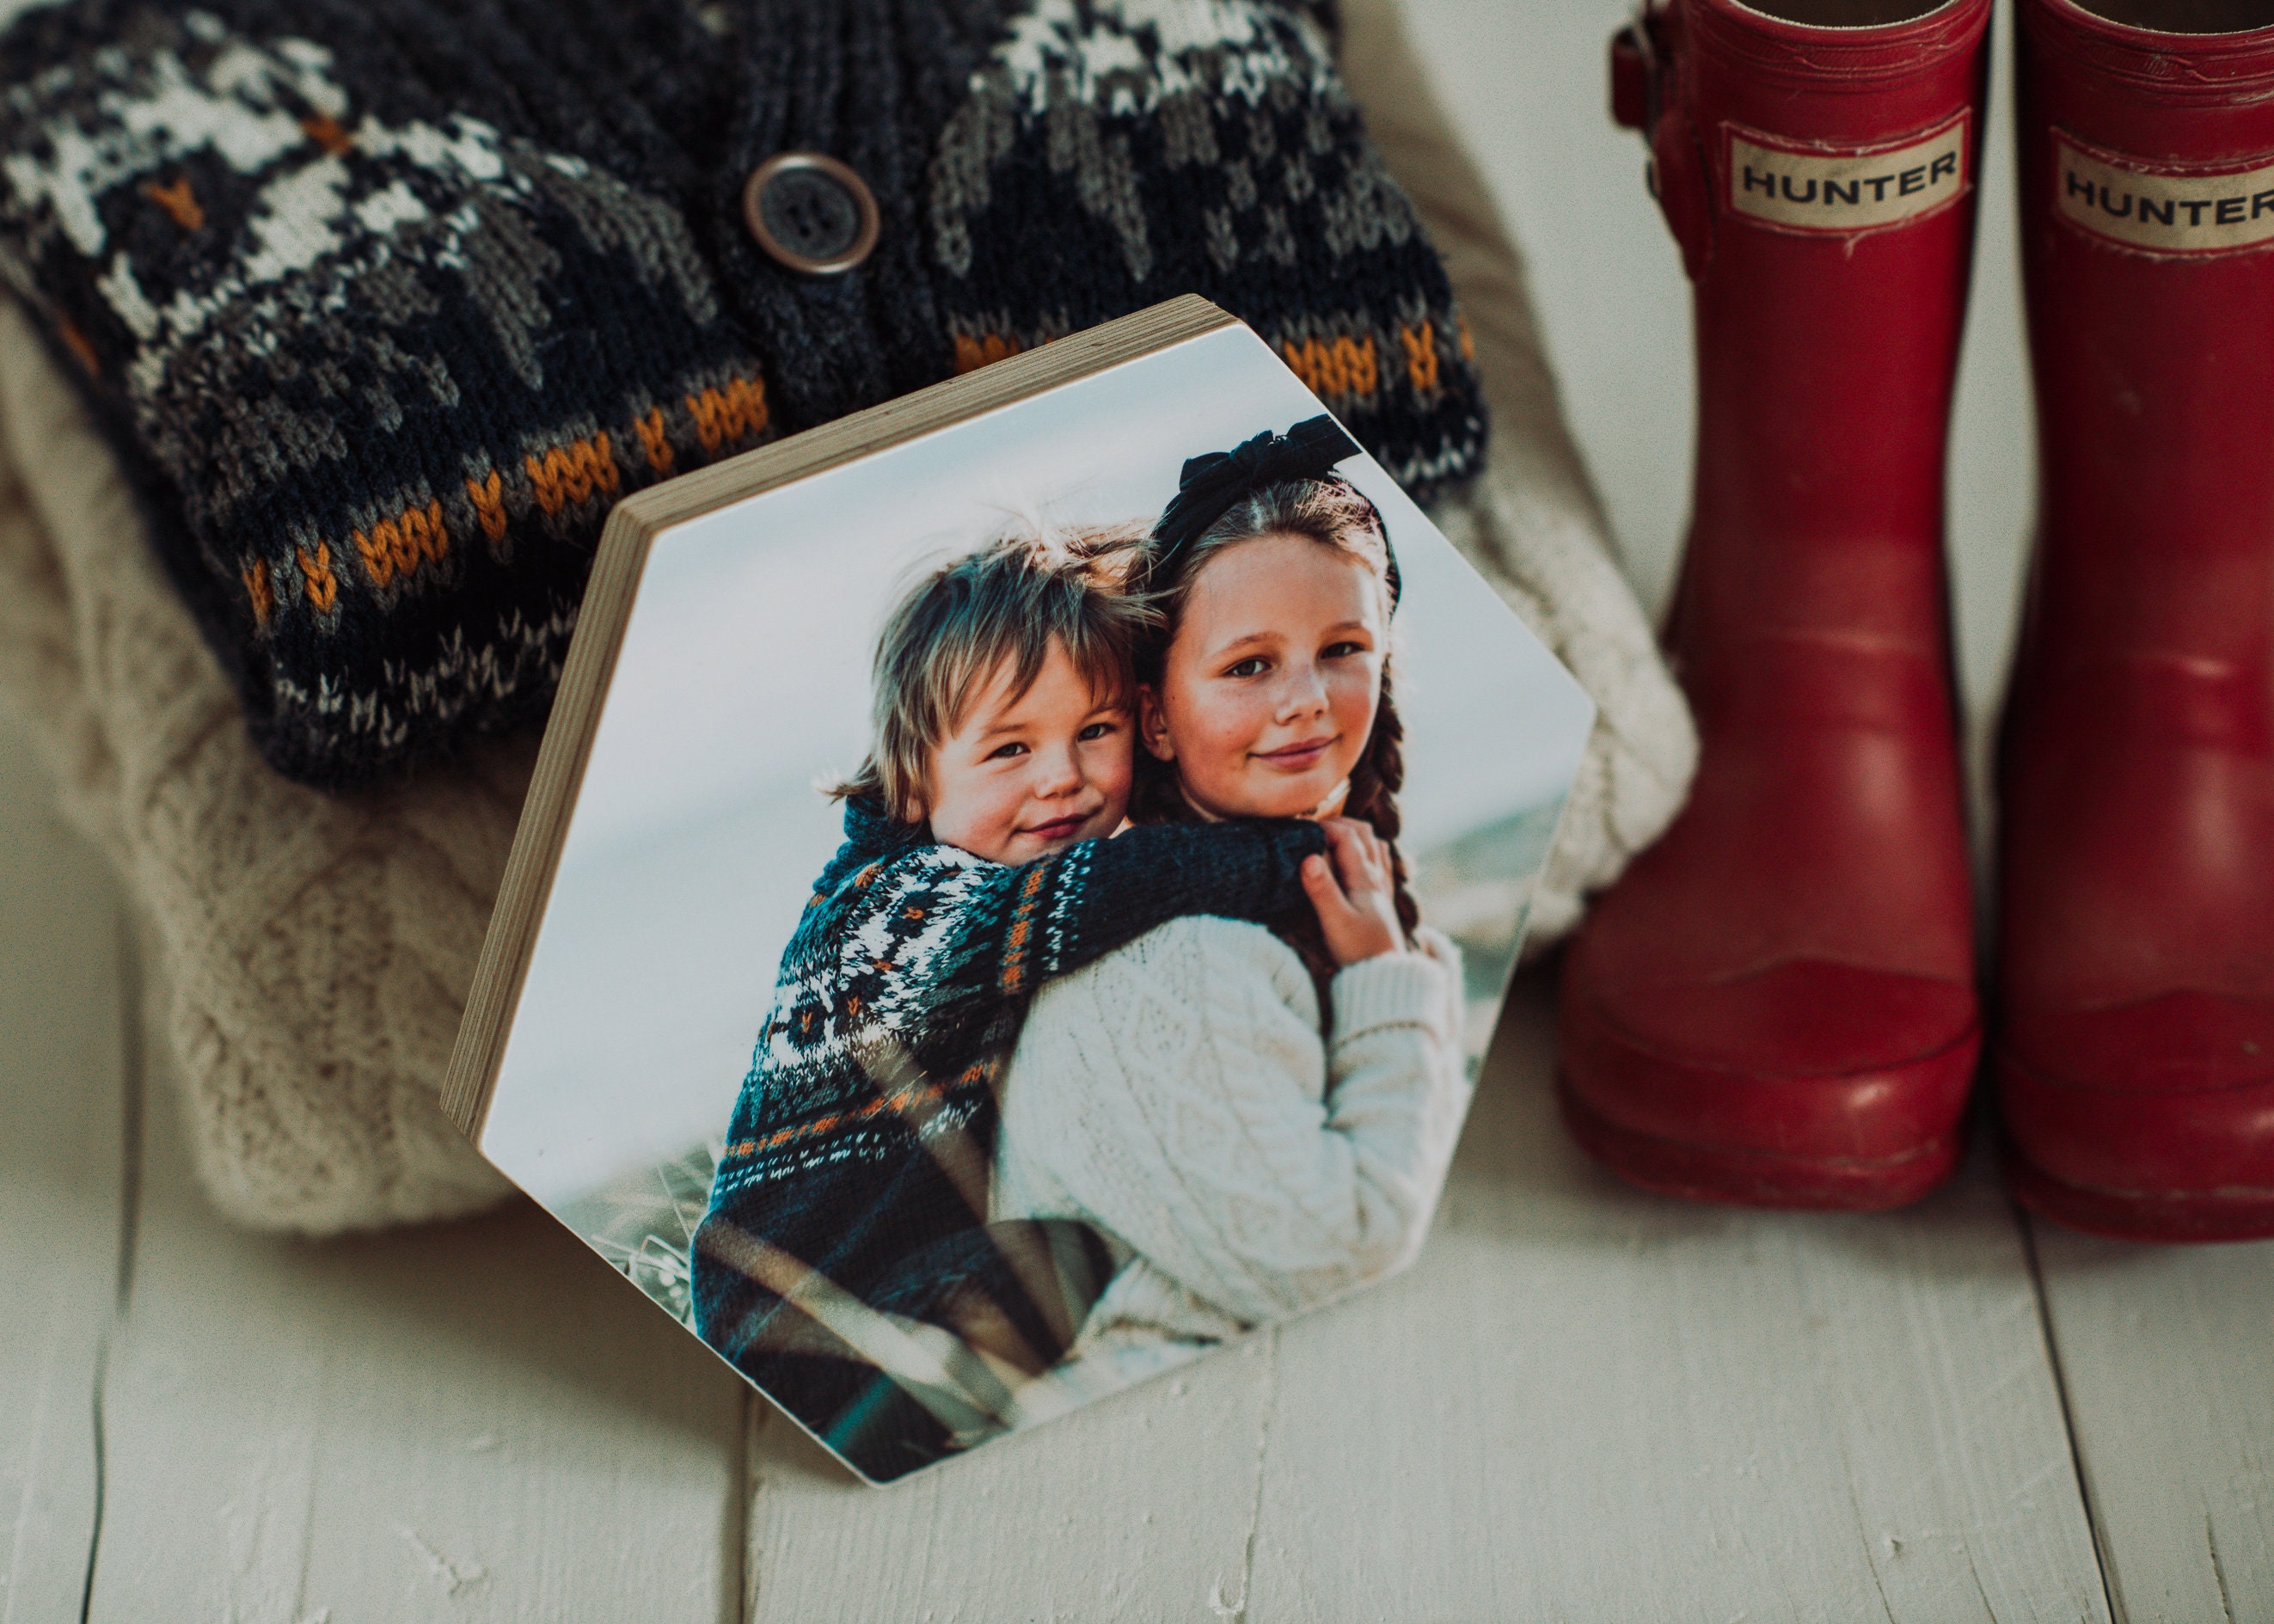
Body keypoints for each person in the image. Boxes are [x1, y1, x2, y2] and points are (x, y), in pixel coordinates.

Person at [689, 524, 1331, 1479]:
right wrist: (1300, 851)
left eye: (1095, 731)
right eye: (1009, 748)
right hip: (797, 1327)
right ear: (914, 779)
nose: (1059, 776)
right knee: (1073, 1258)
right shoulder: (890, 908)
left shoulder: (962, 873)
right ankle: (876, 1464)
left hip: (900, 1274)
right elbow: (1088, 893)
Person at [988, 418, 1473, 1389]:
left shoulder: (1322, 908)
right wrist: (1385, 987)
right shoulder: (1173, 961)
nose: (1306, 697)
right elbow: (1346, 1261)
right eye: (1249, 664)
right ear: (1156, 717)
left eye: (1342, 647)